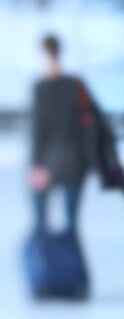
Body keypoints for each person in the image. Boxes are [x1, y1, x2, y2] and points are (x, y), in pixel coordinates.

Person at [29, 34, 95, 235]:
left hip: (48, 161)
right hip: (76, 160)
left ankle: (45, 265)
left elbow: (38, 131)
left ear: (43, 54)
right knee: (72, 225)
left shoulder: (41, 88)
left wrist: (36, 165)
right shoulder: (76, 85)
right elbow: (88, 124)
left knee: (41, 225)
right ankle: (71, 264)